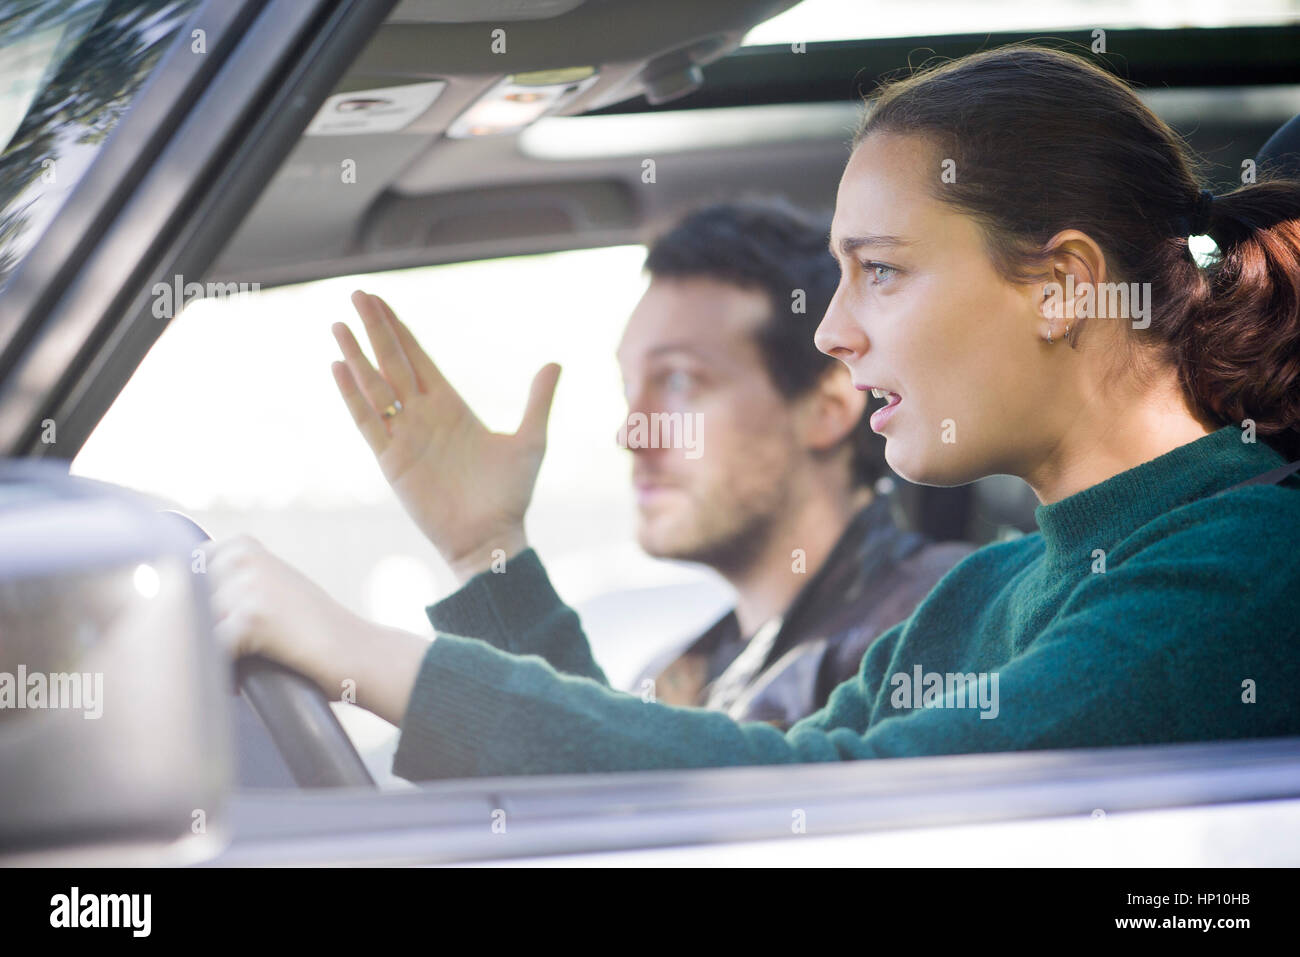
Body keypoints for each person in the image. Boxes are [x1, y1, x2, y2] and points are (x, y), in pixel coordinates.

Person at [207, 45, 1300, 781]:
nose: (832, 330)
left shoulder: (1244, 570)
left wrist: (362, 653)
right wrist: (485, 555)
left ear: (1062, 285)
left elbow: (821, 805)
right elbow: (721, 780)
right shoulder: (983, 592)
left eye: (879, 271)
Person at [346, 199, 973, 730]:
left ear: (828, 406)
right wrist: (483, 548)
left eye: (679, 382)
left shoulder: (942, 630)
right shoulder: (679, 676)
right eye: (630, 387)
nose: (632, 431)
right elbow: (609, 802)